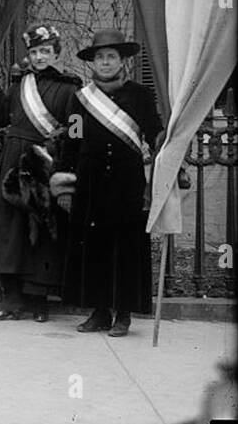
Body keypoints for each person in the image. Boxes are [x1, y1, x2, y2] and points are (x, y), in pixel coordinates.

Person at [52, 30, 163, 338]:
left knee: (126, 248)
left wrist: (170, 156)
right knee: (94, 248)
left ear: (121, 61)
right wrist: (65, 182)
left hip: (127, 182)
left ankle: (124, 314)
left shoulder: (140, 95)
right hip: (91, 182)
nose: (105, 62)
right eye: (100, 57)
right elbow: (72, 142)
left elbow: (154, 132)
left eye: (111, 56)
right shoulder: (80, 99)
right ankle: (99, 312)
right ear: (92, 63)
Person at [0, 24, 81, 322]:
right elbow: (1, 118)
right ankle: (10, 300)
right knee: (9, 231)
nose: (39, 57)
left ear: (57, 53)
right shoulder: (19, 85)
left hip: (45, 163)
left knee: (40, 232)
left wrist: (59, 161)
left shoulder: (71, 88)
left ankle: (38, 301)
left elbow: (76, 131)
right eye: (34, 52)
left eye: (45, 51)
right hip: (12, 161)